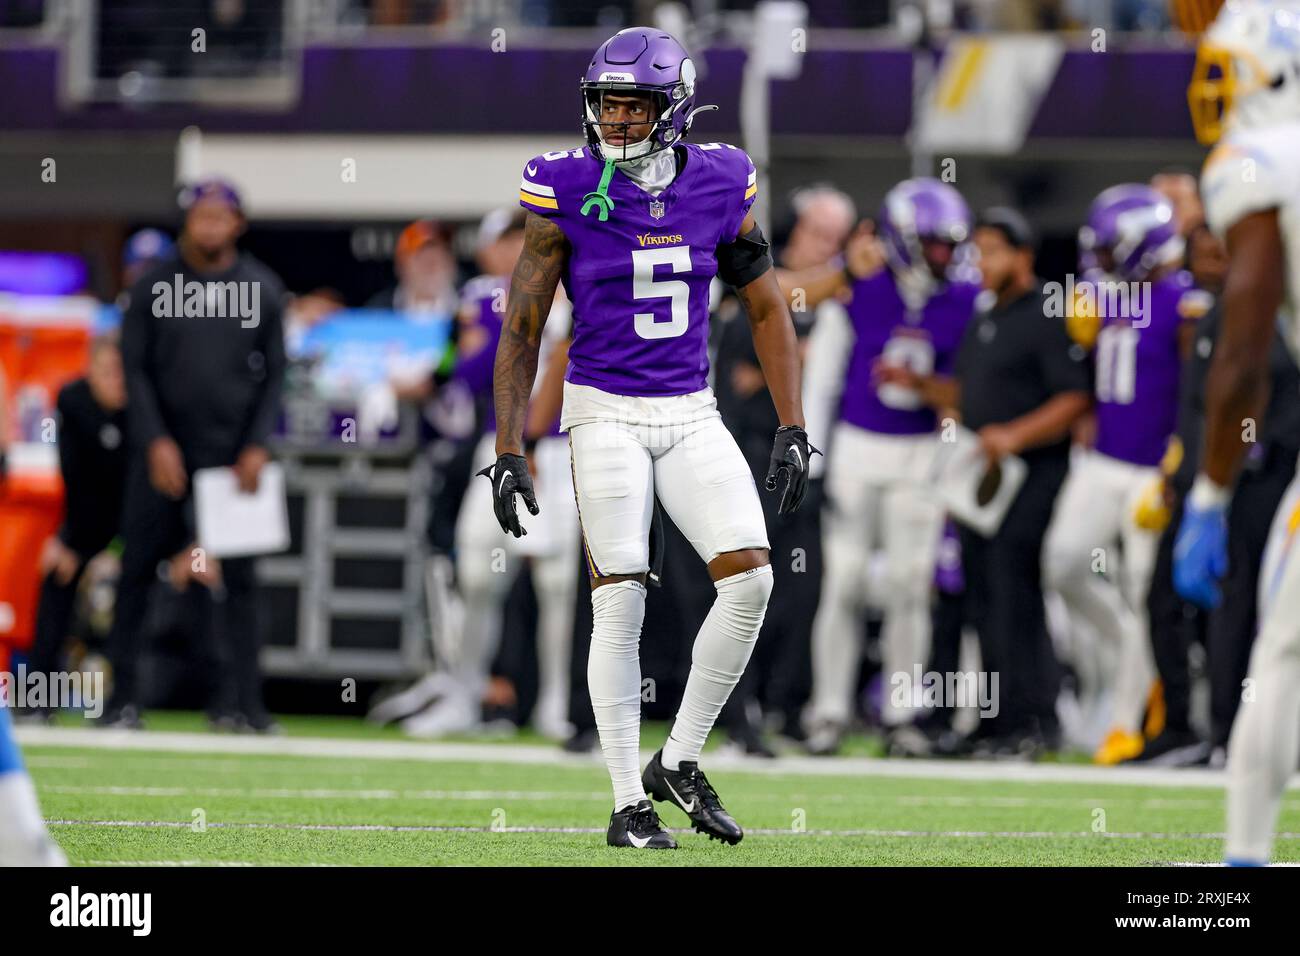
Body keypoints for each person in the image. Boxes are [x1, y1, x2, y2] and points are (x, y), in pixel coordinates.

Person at [481, 27, 812, 849]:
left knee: (751, 582)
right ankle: (627, 800)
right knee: (619, 595)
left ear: (673, 109)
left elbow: (768, 307)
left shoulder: (721, 180)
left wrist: (793, 426)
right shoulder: (563, 188)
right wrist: (510, 446)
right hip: (603, 412)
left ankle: (681, 759)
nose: (617, 119)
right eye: (607, 104)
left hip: (690, 410)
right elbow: (521, 327)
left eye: (633, 105)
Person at [1175, 0, 1300, 865]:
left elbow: (1243, 349)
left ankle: (1247, 866)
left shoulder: (1260, 158)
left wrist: (1210, 493)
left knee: (1283, 650)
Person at [801, 178, 980, 756]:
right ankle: (828, 710)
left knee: (908, 586)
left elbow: (967, 391)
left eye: (950, 245)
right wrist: (815, 459)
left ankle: (902, 713)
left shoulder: (963, 300)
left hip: (922, 453)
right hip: (854, 447)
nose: (945, 256)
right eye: (935, 244)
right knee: (845, 583)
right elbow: (823, 380)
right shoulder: (858, 290)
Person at [105, 177, 286, 731]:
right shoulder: (152, 287)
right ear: (186, 223)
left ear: (238, 223)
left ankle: (242, 705)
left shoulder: (262, 288)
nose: (209, 226)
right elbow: (132, 371)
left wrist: (258, 445)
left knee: (241, 582)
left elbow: (277, 373)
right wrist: (154, 440)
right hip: (162, 452)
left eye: (219, 216)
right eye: (200, 216)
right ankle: (122, 701)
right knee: (136, 571)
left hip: (232, 457)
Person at [398, 209, 578, 740]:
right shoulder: (483, 296)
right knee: (478, 573)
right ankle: (464, 693)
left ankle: (556, 704)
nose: (515, 250)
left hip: (566, 447)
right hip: (501, 444)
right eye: (505, 242)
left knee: (558, 585)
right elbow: (470, 369)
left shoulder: (577, 287)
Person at [1042, 184, 1202, 764]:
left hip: (1151, 467)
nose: (1101, 262)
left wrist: (1180, 460)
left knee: (1143, 591)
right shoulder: (1109, 297)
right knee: (1062, 562)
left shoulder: (1185, 301)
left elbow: (1195, 387)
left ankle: (1125, 721)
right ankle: (1131, 656)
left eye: (1110, 251)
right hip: (1104, 458)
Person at [934, 208, 1092, 755]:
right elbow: (970, 392)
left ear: (1024, 256)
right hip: (983, 479)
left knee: (1015, 595)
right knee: (980, 598)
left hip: (1032, 476)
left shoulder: (1047, 310)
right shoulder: (985, 315)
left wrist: (1016, 435)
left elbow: (1074, 396)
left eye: (995, 250)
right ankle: (995, 720)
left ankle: (1035, 719)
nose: (983, 261)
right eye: (978, 250)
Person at [21, 336, 128, 722]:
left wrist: (115, 552)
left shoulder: (144, 410)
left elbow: (142, 490)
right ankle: (36, 701)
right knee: (55, 582)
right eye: (105, 372)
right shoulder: (73, 402)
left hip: (134, 527)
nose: (115, 381)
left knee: (133, 593)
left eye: (121, 372)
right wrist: (70, 541)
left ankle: (120, 704)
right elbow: (75, 479)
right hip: (85, 524)